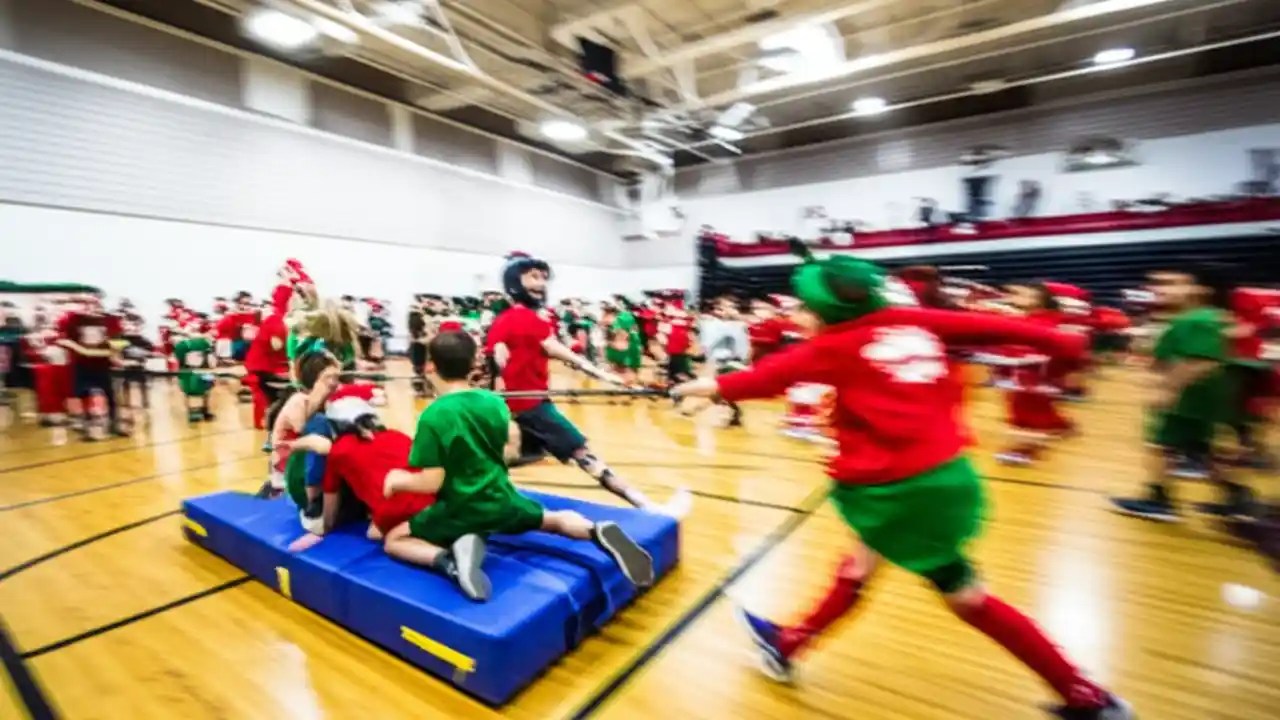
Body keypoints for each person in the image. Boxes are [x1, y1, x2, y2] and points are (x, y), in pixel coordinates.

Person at [673, 250, 1131, 719]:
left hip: (901, 491)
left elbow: (765, 378)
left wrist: (695, 388)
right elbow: (1001, 329)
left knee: (965, 595)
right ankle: (789, 644)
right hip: (945, 476)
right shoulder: (910, 320)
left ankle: (1084, 694)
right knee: (859, 563)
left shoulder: (834, 346)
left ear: (830, 310)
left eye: (804, 307)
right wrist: (1065, 345)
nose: (797, 314)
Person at [381, 331, 655, 602]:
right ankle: (595, 531)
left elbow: (432, 482)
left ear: (430, 366)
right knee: (555, 520)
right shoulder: (494, 403)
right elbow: (510, 448)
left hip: (460, 509)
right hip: (501, 499)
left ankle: (449, 562)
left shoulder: (433, 415)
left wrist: (397, 480)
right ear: (472, 364)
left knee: (395, 539)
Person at [486, 253, 690, 517]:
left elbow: (497, 359)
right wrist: (605, 375)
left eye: (543, 278)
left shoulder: (502, 320)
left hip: (516, 407)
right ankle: (647, 506)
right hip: (531, 407)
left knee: (502, 461)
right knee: (584, 455)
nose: (540, 284)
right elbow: (557, 352)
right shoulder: (526, 319)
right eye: (533, 277)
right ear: (515, 281)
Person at [1109, 264, 1256, 522]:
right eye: (1157, 283)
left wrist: (1166, 389)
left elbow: (1201, 361)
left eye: (1172, 283)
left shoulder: (1198, 319)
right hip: (1198, 398)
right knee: (1202, 450)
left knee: (1157, 446)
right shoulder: (1199, 317)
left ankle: (1158, 500)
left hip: (1187, 399)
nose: (1159, 288)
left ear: (1201, 289)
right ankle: (1238, 499)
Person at [57, 295, 127, 439]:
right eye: (85, 303)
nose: (89, 307)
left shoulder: (110, 320)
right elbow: (65, 338)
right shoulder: (73, 320)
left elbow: (117, 339)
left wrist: (116, 355)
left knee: (110, 395)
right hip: (81, 363)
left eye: (93, 303)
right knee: (83, 394)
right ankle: (87, 425)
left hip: (103, 364)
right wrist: (70, 346)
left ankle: (114, 423)